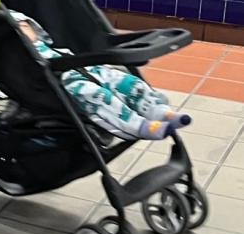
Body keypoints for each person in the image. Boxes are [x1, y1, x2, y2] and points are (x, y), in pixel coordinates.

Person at [12, 13, 192, 141]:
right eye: (18, 30)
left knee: (127, 82)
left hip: (84, 68)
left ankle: (158, 111)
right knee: (98, 96)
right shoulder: (25, 57)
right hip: (61, 80)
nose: (24, 32)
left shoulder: (46, 46)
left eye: (25, 26)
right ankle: (137, 125)